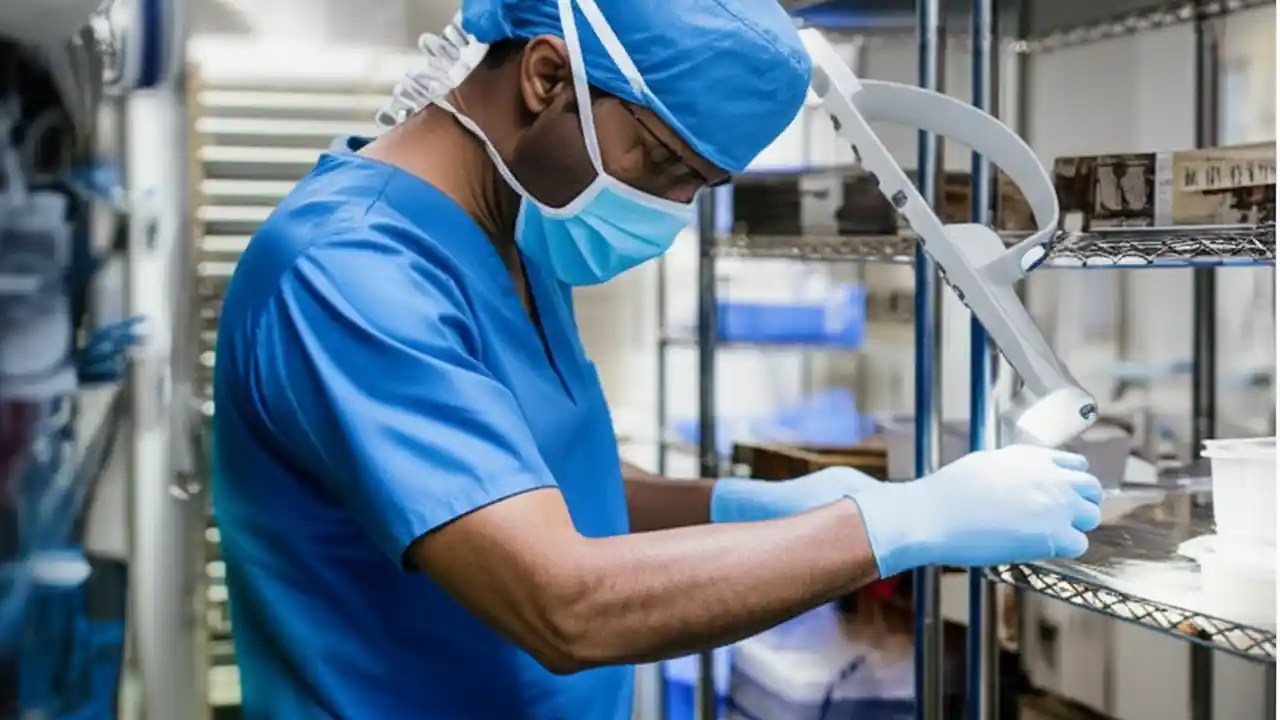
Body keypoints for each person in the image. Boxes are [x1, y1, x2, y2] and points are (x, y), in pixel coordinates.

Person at [211, 0, 1104, 717]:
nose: (671, 210)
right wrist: (896, 525)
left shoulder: (518, 230)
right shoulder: (350, 272)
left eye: (699, 186)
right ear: (547, 76)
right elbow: (564, 603)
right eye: (663, 162)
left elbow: (533, 481)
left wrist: (739, 505)